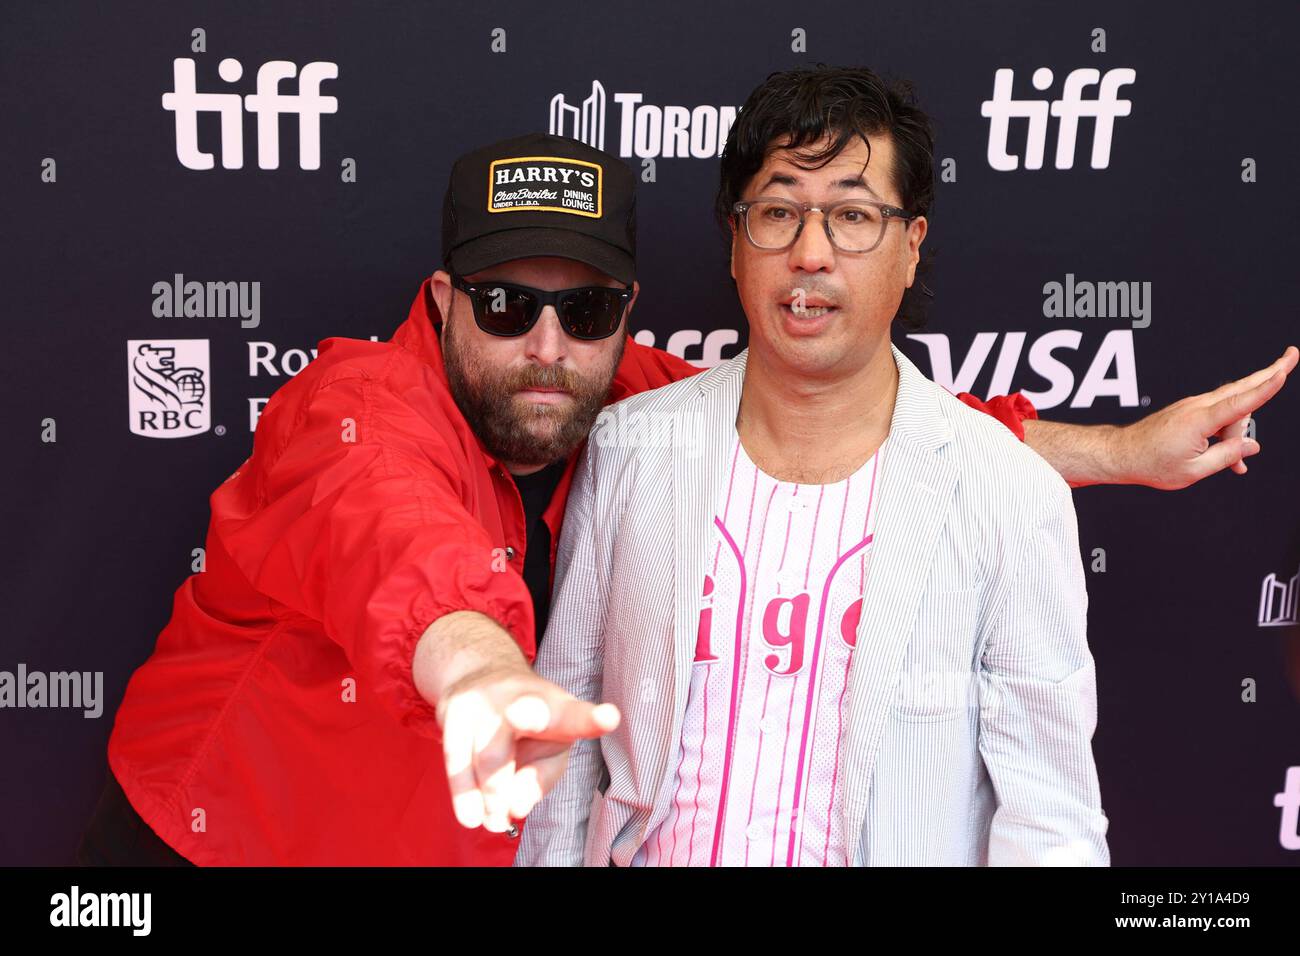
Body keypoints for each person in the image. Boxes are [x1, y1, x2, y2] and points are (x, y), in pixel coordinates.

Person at [81, 121, 1293, 865]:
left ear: (626, 321)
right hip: (215, 853)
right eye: (506, 305)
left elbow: (879, 418)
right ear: (445, 303)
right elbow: (390, 539)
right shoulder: (351, 410)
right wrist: (477, 669)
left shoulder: (624, 401)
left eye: (586, 308)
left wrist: (1120, 449)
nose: (545, 344)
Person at [513, 66, 1294, 867]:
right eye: (778, 212)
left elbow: (1050, 821)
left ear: (911, 247)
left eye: (852, 215)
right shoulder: (632, 449)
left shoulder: (1009, 491)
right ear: (737, 243)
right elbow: (567, 736)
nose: (810, 252)